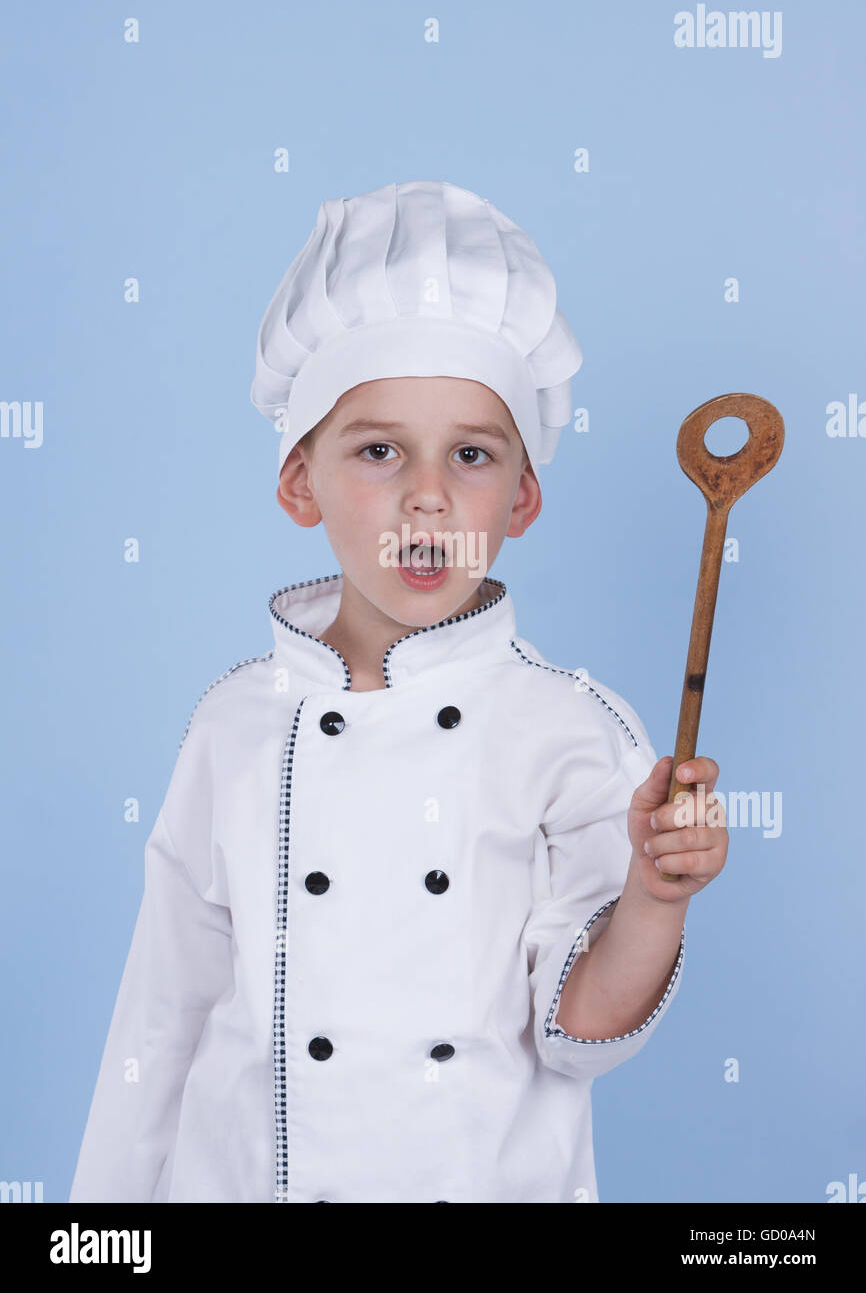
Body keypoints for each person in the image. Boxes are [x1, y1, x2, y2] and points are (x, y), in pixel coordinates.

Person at [69, 179, 729, 1204]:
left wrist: (652, 897)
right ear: (299, 482)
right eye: (378, 450)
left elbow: (578, 1031)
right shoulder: (233, 724)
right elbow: (160, 1020)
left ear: (521, 497)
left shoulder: (569, 729)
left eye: (469, 454)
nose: (426, 493)